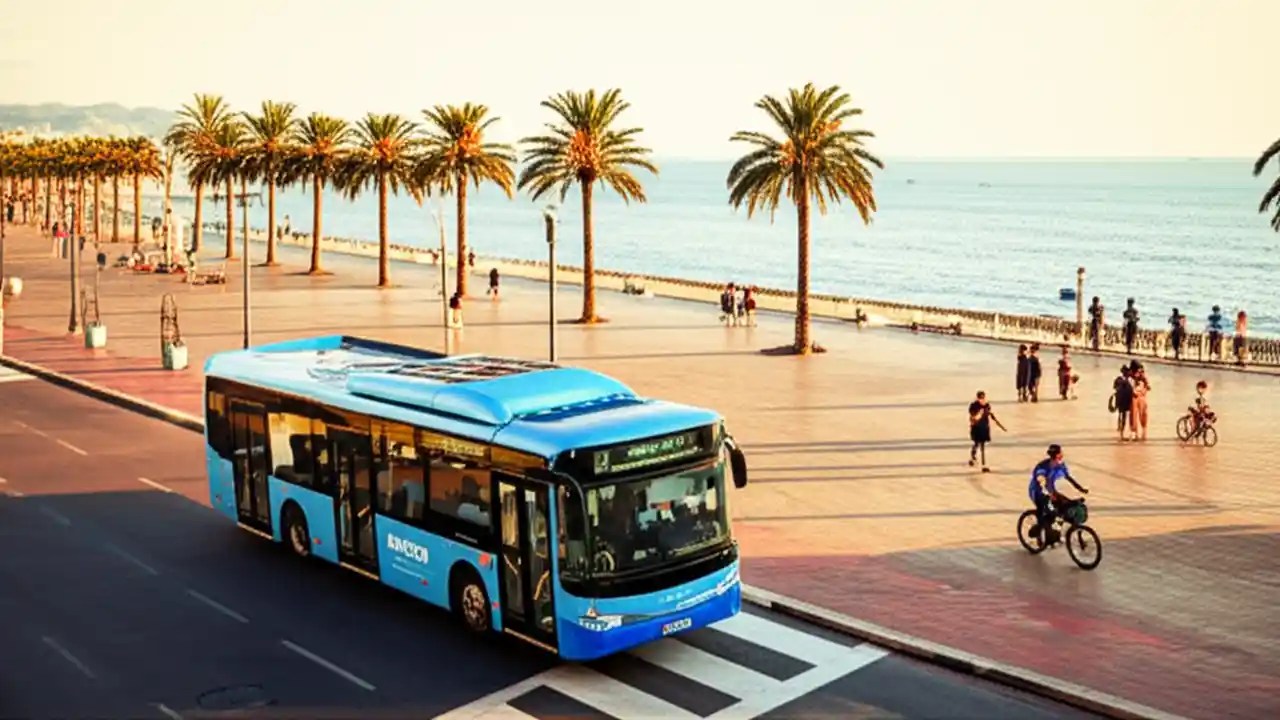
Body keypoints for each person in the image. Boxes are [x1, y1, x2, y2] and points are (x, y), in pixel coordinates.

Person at [1028, 444, 1089, 546]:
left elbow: (1068, 477)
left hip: (1052, 491)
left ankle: (1055, 533)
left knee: (1066, 507)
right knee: (1052, 512)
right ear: (1057, 455)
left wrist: (1080, 488)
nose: (1062, 454)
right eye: (1061, 452)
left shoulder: (1061, 465)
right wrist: (1047, 492)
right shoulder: (1043, 466)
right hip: (1038, 492)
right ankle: (1040, 533)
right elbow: (1040, 478)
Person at [967, 391, 1006, 472]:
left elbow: (990, 414)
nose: (982, 400)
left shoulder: (987, 405)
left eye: (983, 398)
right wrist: (979, 414)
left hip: (984, 428)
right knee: (976, 443)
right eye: (980, 398)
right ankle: (973, 457)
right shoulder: (973, 406)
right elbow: (973, 417)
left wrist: (998, 423)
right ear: (977, 398)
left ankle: (983, 464)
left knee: (982, 446)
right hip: (976, 428)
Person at [1113, 365, 1135, 440]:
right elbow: (1115, 388)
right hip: (1121, 399)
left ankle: (1122, 430)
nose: (1127, 373)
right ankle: (1121, 431)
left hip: (1127, 399)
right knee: (1122, 414)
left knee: (1124, 415)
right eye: (1126, 371)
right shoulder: (1119, 379)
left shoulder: (1130, 380)